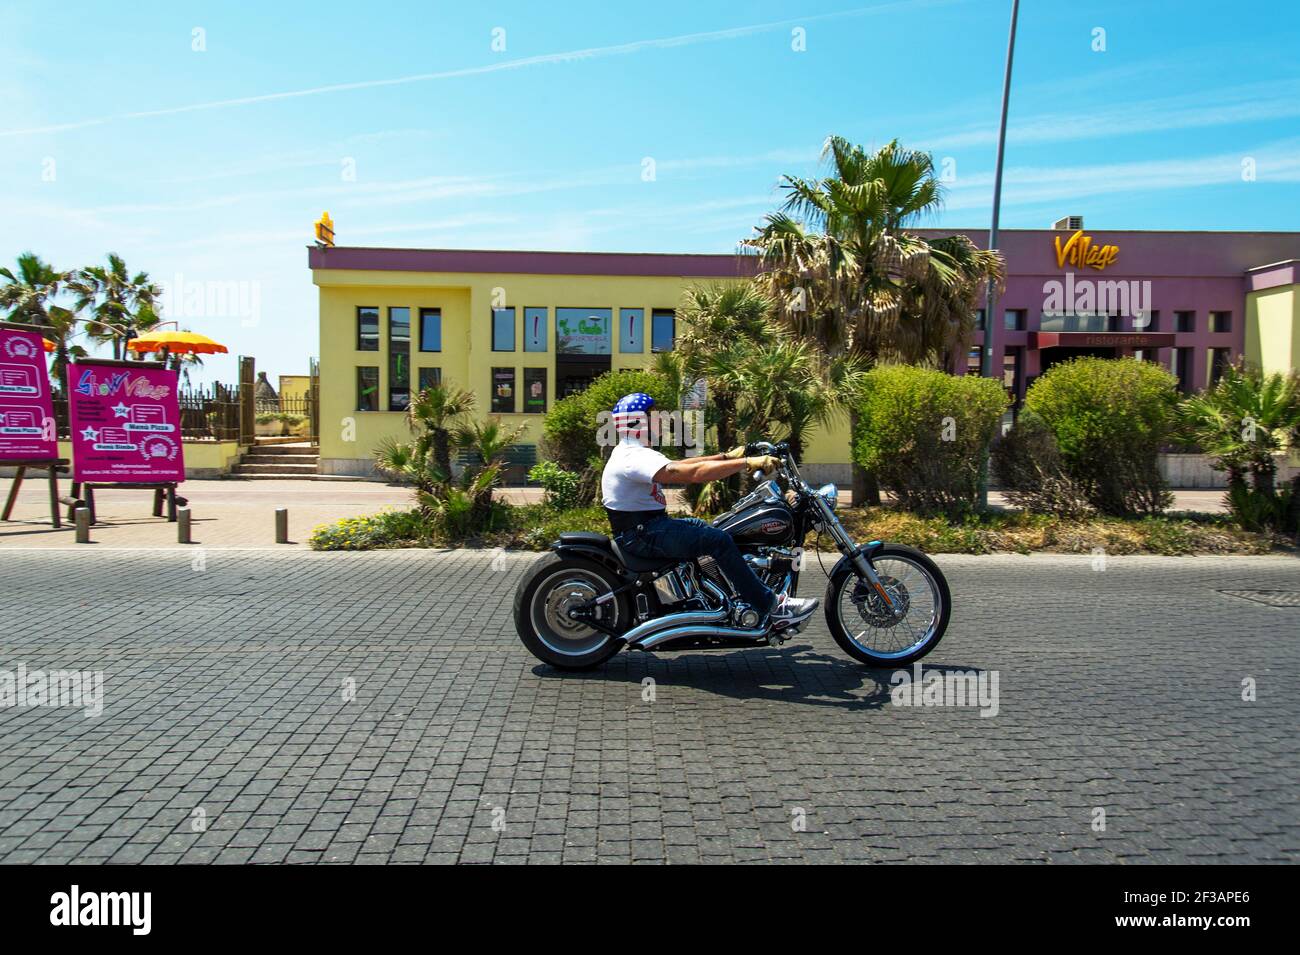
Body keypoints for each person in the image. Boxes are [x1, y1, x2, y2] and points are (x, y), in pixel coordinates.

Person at [600, 392, 818, 627]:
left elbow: (683, 464)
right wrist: (746, 463)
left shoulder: (633, 451)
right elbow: (690, 474)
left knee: (708, 528)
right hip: (644, 532)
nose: (660, 420)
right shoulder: (634, 456)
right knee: (719, 541)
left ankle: (718, 595)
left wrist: (727, 456)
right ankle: (771, 606)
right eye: (653, 416)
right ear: (638, 422)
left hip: (646, 528)